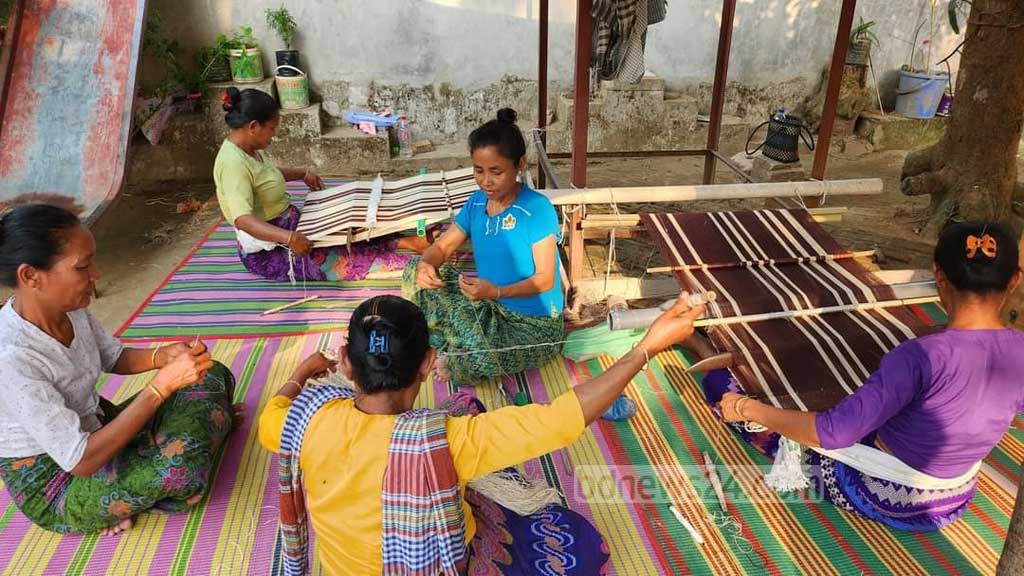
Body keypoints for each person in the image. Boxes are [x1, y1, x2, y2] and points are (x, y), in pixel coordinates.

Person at [259, 293, 704, 574]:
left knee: (463, 408)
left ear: (345, 361)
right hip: (439, 562)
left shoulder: (305, 420)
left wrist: (301, 371)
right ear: (428, 363)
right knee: (581, 546)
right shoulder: (449, 442)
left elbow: (270, 418)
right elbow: (561, 418)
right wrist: (647, 347)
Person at [708, 221, 1024, 531]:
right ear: (1015, 279)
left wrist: (748, 408)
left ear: (937, 273)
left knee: (724, 384)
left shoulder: (921, 356)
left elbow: (834, 433)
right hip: (954, 496)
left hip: (893, 496)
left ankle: (706, 354)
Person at [0, 202, 242, 535]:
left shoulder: (70, 308)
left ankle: (129, 488)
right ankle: (109, 501)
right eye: (82, 267)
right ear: (30, 276)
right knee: (179, 468)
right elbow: (81, 459)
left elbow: (114, 357)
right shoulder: (12, 357)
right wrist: (160, 388)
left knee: (211, 373)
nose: (95, 275)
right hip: (62, 482)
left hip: (100, 427)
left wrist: (162, 356)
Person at [403, 108, 563, 386]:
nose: (486, 181)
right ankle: (448, 342)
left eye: (496, 172)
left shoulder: (537, 209)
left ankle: (455, 347)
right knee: (412, 271)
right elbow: (442, 247)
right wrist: (427, 264)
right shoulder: (477, 202)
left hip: (532, 325)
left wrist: (496, 291)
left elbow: (545, 280)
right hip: (487, 304)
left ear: (520, 164)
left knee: (480, 356)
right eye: (479, 171)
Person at [214, 88, 427, 282]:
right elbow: (243, 220)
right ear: (253, 127)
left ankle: (406, 242)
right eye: (272, 128)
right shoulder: (232, 165)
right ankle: (416, 266)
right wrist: (290, 238)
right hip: (272, 249)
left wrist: (302, 173)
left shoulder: (249, 149)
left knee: (348, 226)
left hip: (292, 226)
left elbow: (265, 176)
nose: (274, 133)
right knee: (340, 260)